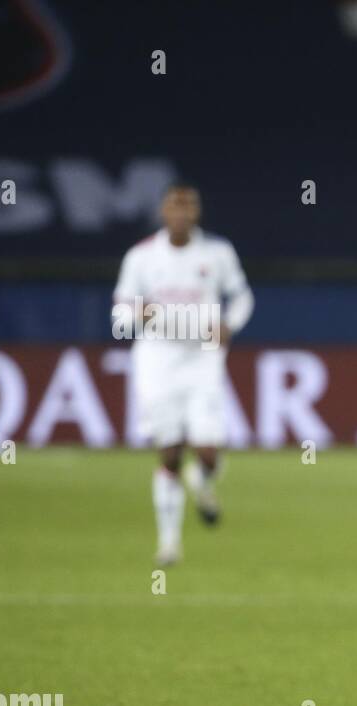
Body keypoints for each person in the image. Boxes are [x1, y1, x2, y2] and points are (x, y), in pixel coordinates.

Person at [113, 182, 253, 566]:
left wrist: (230, 324)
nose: (182, 215)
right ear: (163, 213)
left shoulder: (217, 253)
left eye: (189, 208)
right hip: (158, 360)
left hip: (203, 358)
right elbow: (120, 313)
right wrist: (135, 314)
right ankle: (170, 543)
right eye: (175, 208)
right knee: (170, 452)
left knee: (207, 452)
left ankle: (203, 480)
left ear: (196, 213)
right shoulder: (141, 257)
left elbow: (242, 296)